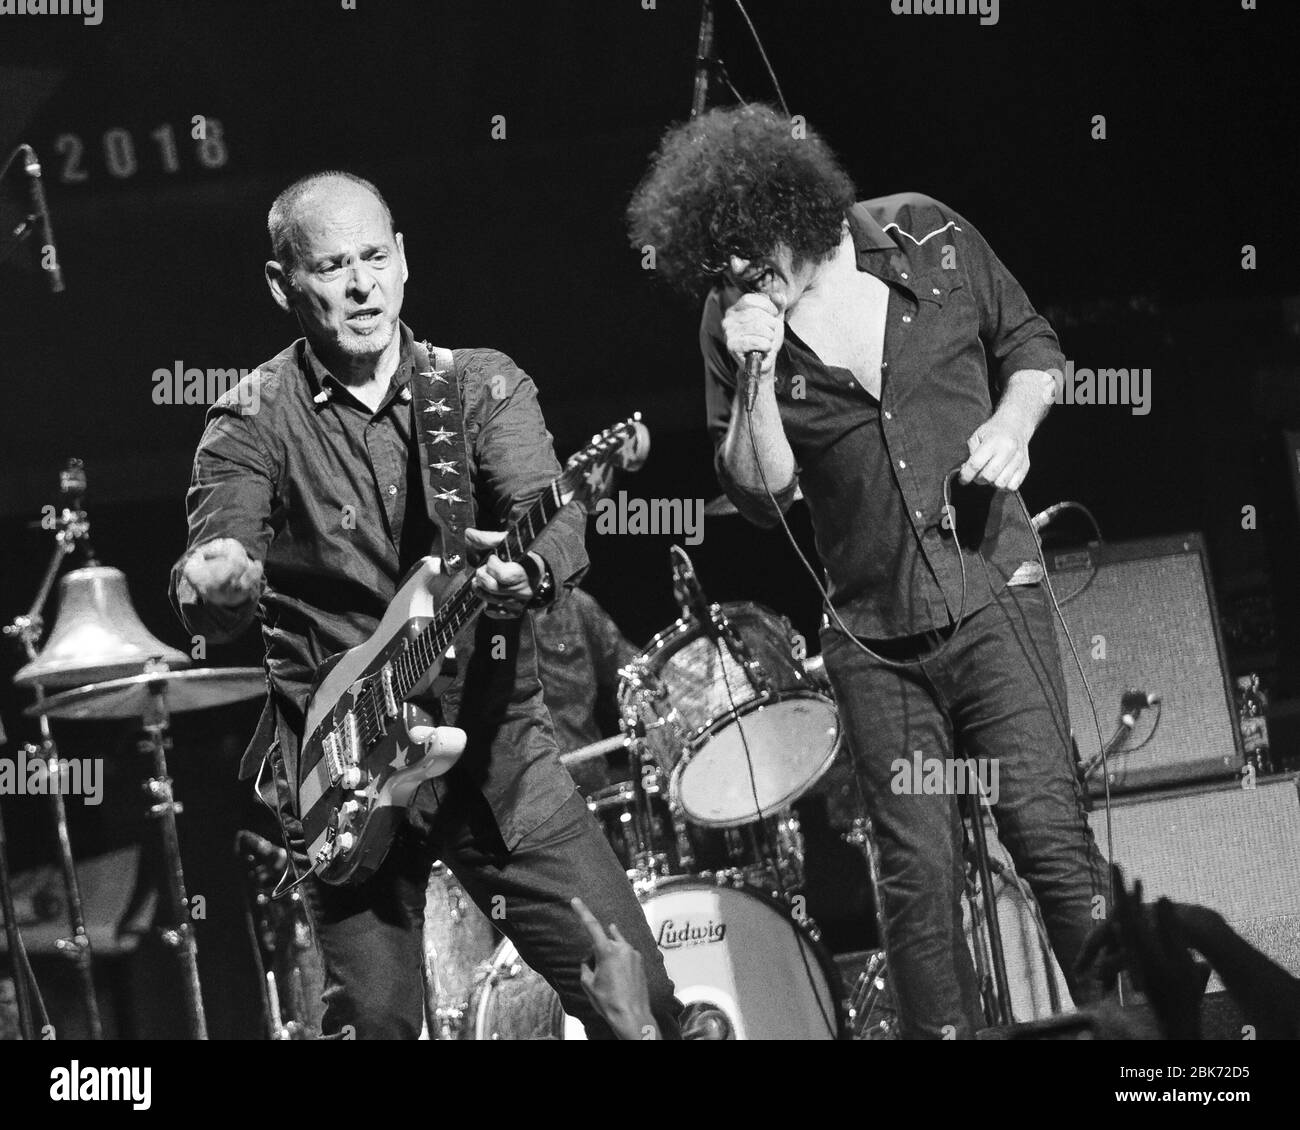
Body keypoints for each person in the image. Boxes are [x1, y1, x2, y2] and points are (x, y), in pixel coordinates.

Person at [627, 105, 1109, 1038]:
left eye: (747, 245)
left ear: (792, 203)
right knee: (918, 897)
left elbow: (1035, 346)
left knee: (1050, 846)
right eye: (715, 259)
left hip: (990, 599)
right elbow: (764, 498)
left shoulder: (924, 232)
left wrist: (1013, 426)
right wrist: (755, 375)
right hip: (872, 641)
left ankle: (1148, 1067)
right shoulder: (732, 325)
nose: (735, 271)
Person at [169, 170, 679, 1039]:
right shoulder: (249, 416)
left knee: (640, 1003)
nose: (362, 284)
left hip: (498, 760)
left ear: (403, 261)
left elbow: (550, 520)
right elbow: (214, 565)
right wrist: (210, 585)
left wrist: (536, 569)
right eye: (332, 266)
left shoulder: (480, 385)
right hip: (348, 775)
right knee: (374, 1023)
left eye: (375, 256)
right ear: (281, 283)